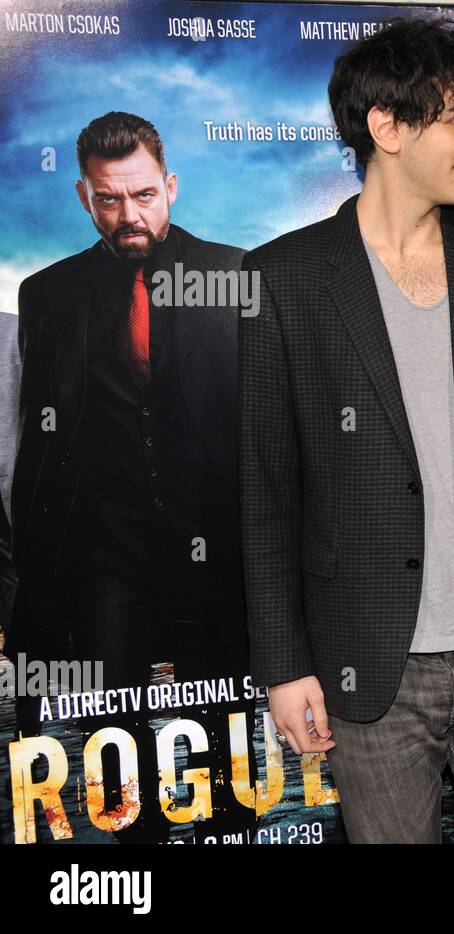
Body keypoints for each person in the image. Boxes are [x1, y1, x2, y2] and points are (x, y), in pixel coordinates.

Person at [239, 17, 454, 844]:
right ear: (386, 127)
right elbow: (265, 495)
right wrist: (284, 667)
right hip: (368, 668)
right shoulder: (281, 280)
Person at [10, 111, 252, 841]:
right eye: (110, 199)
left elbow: (270, 435)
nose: (129, 215)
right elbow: (38, 447)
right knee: (115, 754)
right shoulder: (48, 296)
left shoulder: (238, 276)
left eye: (143, 195)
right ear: (85, 196)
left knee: (228, 755)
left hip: (218, 554)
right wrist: (27, 588)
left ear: (171, 186)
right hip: (106, 559)